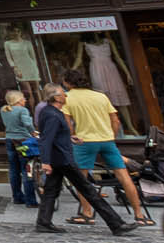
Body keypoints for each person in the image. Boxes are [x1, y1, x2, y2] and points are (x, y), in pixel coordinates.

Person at [33, 84, 136, 235]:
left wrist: (69, 137)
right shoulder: (53, 114)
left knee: (50, 191)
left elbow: (53, 135)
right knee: (88, 190)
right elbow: (46, 139)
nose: (66, 96)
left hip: (59, 158)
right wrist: (45, 161)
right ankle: (116, 224)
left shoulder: (51, 112)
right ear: (56, 98)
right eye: (63, 94)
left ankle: (43, 222)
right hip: (62, 159)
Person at [62, 74, 153, 226]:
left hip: (84, 141)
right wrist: (112, 135)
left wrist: (72, 136)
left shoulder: (67, 97)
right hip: (106, 139)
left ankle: (87, 213)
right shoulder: (101, 96)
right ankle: (139, 215)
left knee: (81, 180)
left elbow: (67, 124)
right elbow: (115, 119)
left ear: (67, 83)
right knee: (124, 177)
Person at [0, 89, 36, 208]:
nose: (25, 100)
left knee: (14, 170)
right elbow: (27, 124)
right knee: (26, 170)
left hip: (10, 140)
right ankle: (30, 200)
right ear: (18, 100)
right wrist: (33, 133)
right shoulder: (22, 110)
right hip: (23, 141)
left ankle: (17, 197)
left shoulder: (4, 109)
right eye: (23, 98)